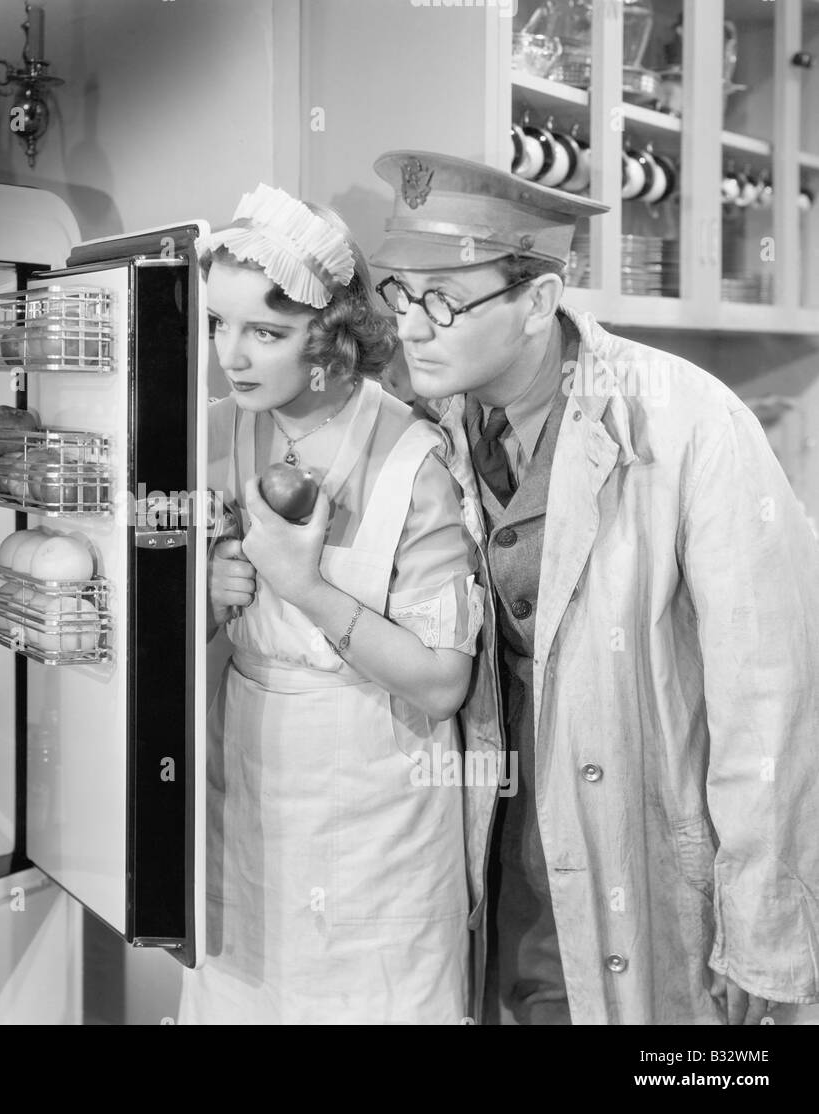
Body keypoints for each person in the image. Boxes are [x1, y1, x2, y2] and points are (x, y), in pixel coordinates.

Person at [370, 149, 819, 1025]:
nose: (411, 328)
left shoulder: (689, 423)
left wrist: (764, 932)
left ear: (539, 300)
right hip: (491, 872)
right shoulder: (428, 426)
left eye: (442, 300)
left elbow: (772, 697)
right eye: (399, 293)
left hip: (644, 864)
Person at [175, 183, 493, 1024]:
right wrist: (204, 603)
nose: (230, 357)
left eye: (264, 334)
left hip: (376, 799)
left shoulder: (411, 461)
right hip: (245, 778)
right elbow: (159, 631)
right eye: (218, 324)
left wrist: (303, 586)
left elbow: (440, 686)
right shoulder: (211, 432)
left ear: (331, 337)